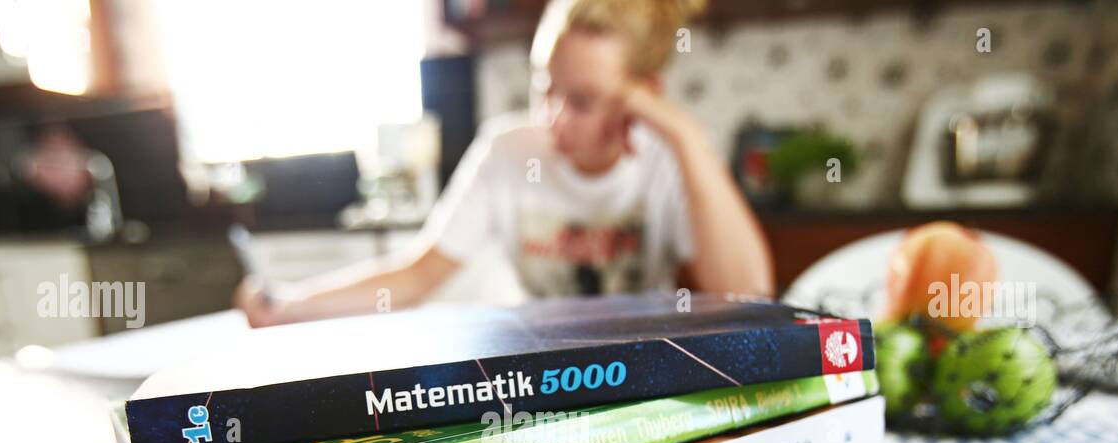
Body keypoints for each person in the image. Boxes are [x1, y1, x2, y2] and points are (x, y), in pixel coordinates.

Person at [235, 0, 774, 327]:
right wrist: (289, 304)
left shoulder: (670, 162)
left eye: (582, 101)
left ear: (643, 98)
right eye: (546, 87)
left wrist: (683, 134)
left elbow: (751, 297)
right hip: (543, 379)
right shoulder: (507, 151)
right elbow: (417, 275)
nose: (554, 119)